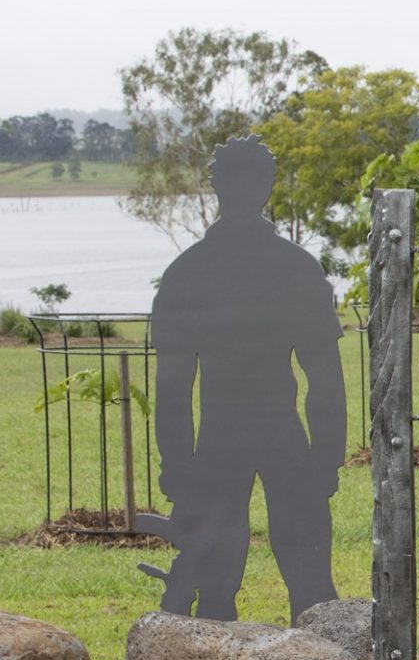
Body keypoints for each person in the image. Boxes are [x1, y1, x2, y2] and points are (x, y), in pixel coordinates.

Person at [143, 137, 345, 623]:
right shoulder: (293, 267)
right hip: (261, 436)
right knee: (236, 579)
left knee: (303, 578)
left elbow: (172, 389)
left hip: (235, 438)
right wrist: (325, 458)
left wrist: (326, 459)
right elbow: (323, 377)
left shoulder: (188, 272)